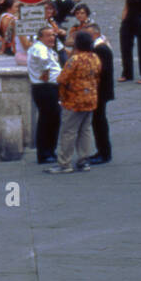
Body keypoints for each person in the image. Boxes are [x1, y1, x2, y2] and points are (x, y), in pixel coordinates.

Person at [45, 31, 101, 174]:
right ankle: (83, 160)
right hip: (91, 97)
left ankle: (65, 163)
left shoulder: (74, 60)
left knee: (69, 132)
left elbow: (62, 78)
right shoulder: (95, 58)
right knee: (85, 130)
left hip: (74, 99)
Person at [27, 25, 62, 165]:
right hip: (45, 88)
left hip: (49, 87)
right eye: (48, 35)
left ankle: (50, 150)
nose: (52, 38)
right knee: (46, 121)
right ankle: (44, 153)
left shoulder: (46, 48)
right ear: (40, 37)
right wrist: (46, 71)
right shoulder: (39, 48)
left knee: (53, 119)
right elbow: (43, 60)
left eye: (53, 35)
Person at [85, 23, 114, 164]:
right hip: (101, 90)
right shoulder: (100, 47)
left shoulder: (100, 49)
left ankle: (104, 152)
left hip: (100, 91)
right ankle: (102, 151)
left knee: (99, 121)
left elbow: (100, 71)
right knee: (98, 121)